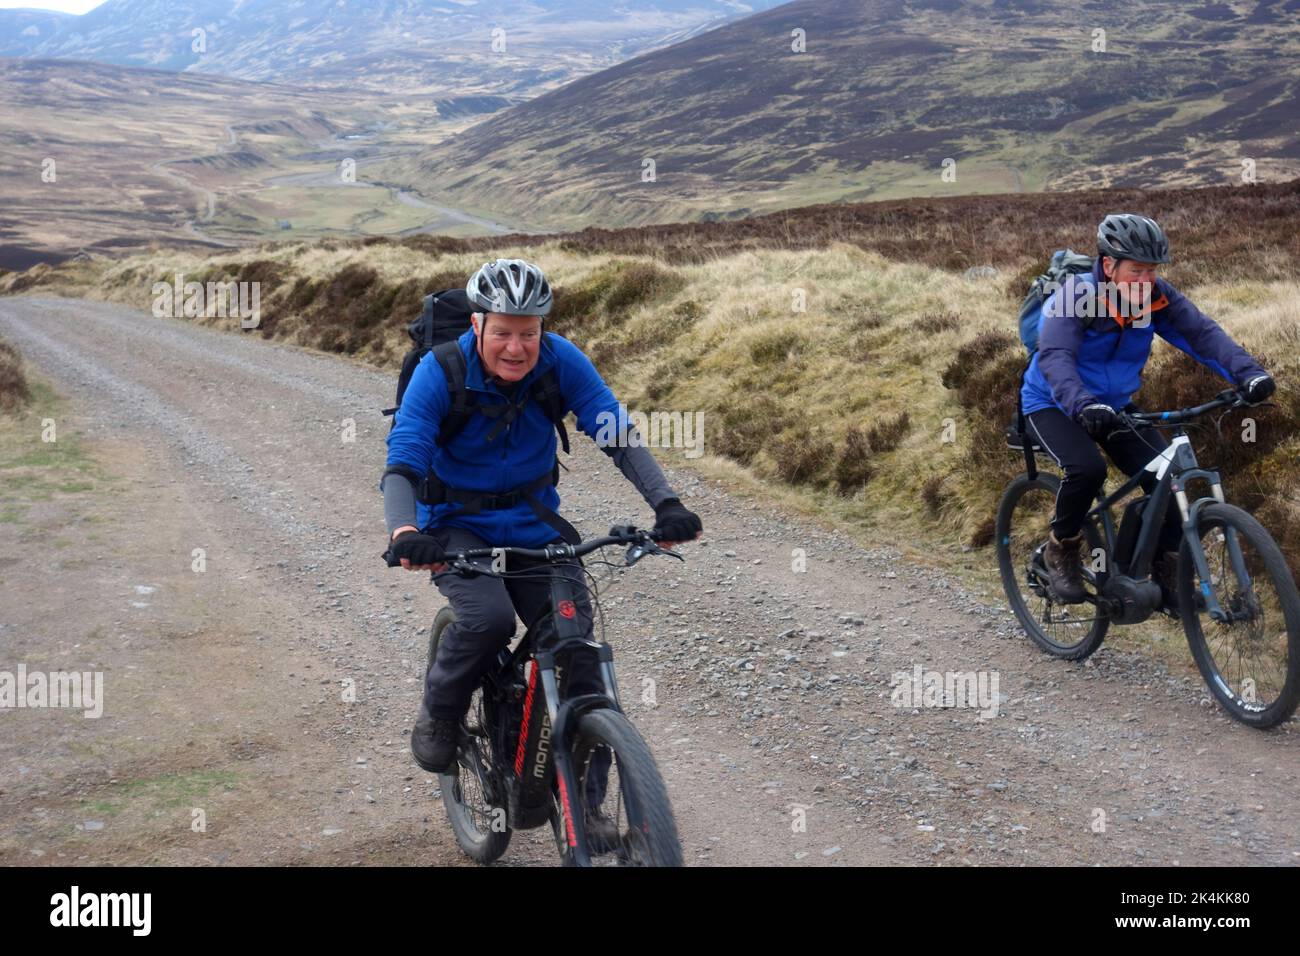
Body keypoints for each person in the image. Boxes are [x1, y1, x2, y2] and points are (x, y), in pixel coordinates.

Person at [379, 258, 702, 835]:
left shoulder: (560, 361)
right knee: (487, 619)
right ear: (477, 325)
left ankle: (588, 805)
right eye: (502, 331)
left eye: (528, 332)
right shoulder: (440, 369)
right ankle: (442, 715)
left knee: (578, 654)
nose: (516, 346)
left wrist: (666, 504)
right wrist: (406, 532)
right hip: (456, 528)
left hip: (534, 525)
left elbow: (615, 433)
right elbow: (404, 455)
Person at [1019, 213, 1275, 605]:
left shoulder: (1156, 297)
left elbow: (1202, 335)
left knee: (1168, 476)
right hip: (1052, 401)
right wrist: (1082, 403)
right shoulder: (1076, 297)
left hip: (1116, 406)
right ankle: (1061, 547)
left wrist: (1249, 375)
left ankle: (1164, 568)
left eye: (1151, 270)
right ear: (1108, 265)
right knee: (1088, 469)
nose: (1145, 280)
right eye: (1136, 270)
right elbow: (1055, 356)